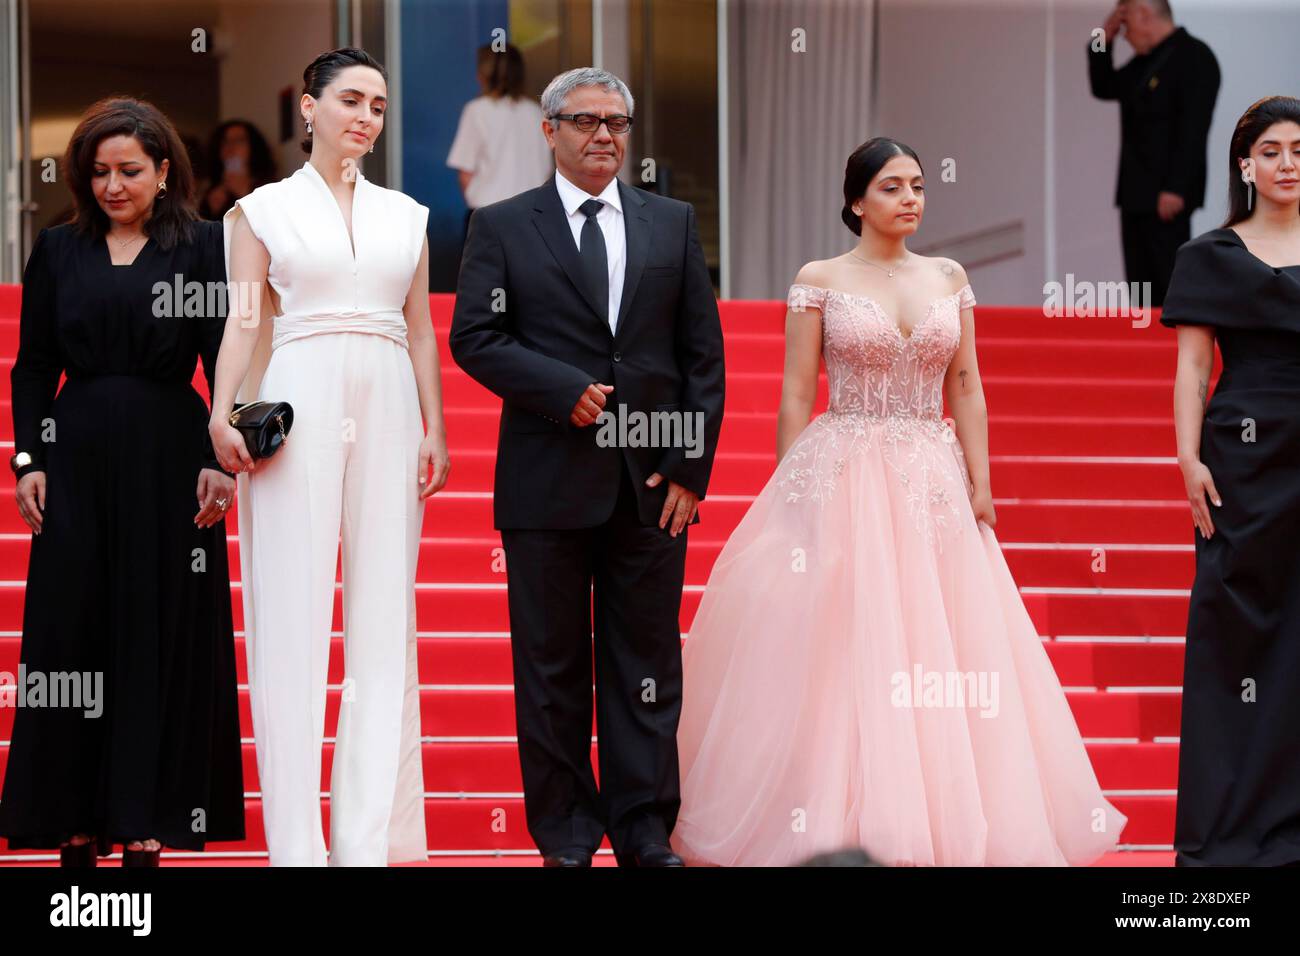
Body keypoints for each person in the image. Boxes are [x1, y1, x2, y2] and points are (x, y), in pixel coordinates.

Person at [670, 138, 1128, 867]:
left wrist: (982, 482)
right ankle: (832, 821)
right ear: (856, 201)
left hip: (933, 477)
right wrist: (796, 493)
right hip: (844, 468)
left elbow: (968, 385)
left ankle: (948, 823)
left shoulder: (949, 276)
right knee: (844, 643)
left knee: (944, 642)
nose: (911, 197)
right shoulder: (819, 278)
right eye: (891, 187)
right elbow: (795, 392)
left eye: (917, 184)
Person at [449, 66, 725, 867]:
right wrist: (562, 391)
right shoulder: (501, 226)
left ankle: (643, 828)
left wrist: (687, 468)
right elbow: (477, 338)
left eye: (617, 122)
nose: (603, 134)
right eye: (584, 120)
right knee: (550, 670)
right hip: (545, 482)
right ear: (549, 131)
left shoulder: (671, 223)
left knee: (646, 666)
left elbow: (699, 356)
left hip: (650, 488)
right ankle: (567, 833)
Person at [207, 47, 450, 866]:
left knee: (384, 623)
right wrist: (220, 412)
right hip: (299, 393)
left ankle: (364, 843)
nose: (366, 117)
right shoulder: (259, 212)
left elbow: (420, 329)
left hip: (388, 394)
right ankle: (298, 852)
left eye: (378, 105)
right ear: (308, 108)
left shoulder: (407, 215)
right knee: (290, 620)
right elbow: (243, 321)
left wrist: (435, 425)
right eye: (351, 99)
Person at [0, 97, 244, 866]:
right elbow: (35, 366)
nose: (113, 186)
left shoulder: (205, 246)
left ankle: (146, 821)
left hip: (174, 458)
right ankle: (72, 821)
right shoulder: (59, 249)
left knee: (158, 632)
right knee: (72, 638)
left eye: (130, 171)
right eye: (99, 172)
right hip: (75, 458)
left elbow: (225, 357)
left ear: (165, 170)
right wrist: (29, 460)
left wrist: (222, 456)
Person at [1162, 96, 1300, 867]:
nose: (1288, 164)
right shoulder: (1209, 254)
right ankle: (1227, 834)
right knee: (1234, 635)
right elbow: (1192, 367)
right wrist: (1188, 458)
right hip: (1243, 459)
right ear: (1246, 163)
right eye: (1273, 150)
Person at [1088, 0, 1220, 306]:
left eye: (1126, 21)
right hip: (1136, 193)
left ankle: (1173, 351)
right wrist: (1100, 38)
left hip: (1166, 196)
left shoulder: (1194, 57)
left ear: (1145, 16)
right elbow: (1104, 85)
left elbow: (1193, 130)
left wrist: (1176, 187)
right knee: (1141, 289)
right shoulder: (1144, 63)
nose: (1124, 33)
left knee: (1170, 284)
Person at [446, 42, 553, 236]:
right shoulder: (537, 113)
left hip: (488, 214)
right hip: (534, 217)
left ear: (485, 75)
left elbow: (465, 173)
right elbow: (547, 170)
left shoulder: (477, 110)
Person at [198, 119, 277, 220]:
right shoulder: (211, 190)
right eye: (225, 142)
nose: (230, 147)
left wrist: (242, 193)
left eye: (239, 140)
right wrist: (211, 210)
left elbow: (272, 224)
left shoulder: (269, 187)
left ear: (253, 147)